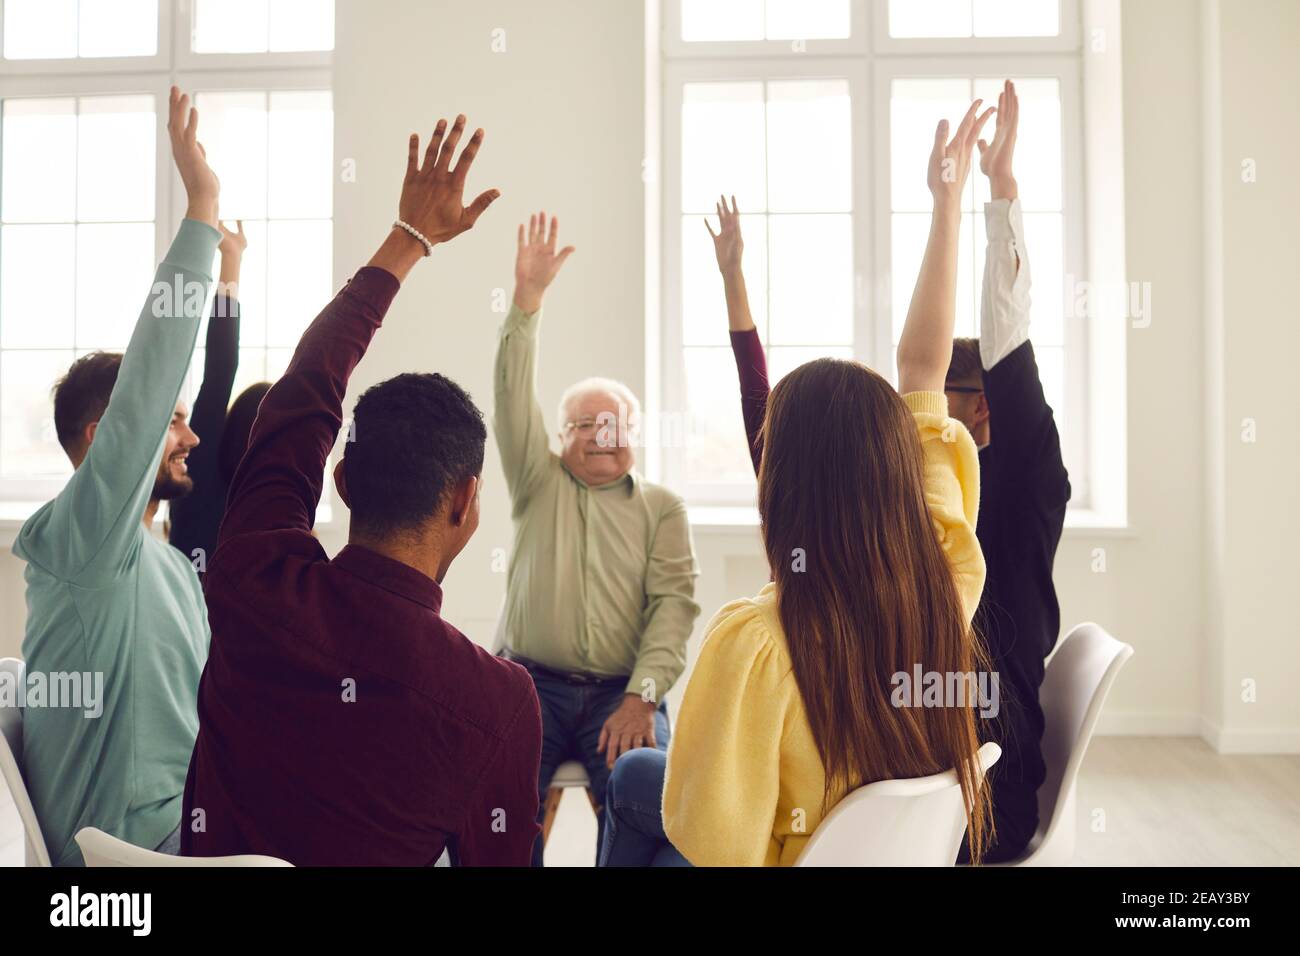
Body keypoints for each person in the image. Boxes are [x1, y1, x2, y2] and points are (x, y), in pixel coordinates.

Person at [600, 100, 995, 866]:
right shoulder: (947, 582)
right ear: (893, 470)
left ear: (782, 485)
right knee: (642, 780)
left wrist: (945, 204)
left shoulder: (753, 646)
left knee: (632, 786)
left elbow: (715, 846)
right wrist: (950, 207)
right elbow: (923, 373)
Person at [717, 81, 1068, 863]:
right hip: (908, 811)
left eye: (952, 398)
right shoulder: (928, 542)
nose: (924, 417)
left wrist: (996, 195)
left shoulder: (1016, 500)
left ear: (984, 413)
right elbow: (784, 439)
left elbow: (957, 363)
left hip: (971, 820)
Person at [182, 114, 542, 866]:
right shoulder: (496, 701)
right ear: (466, 503)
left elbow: (304, 390)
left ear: (341, 483)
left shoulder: (253, 577)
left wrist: (408, 236)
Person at [12, 87, 223, 865]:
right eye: (173, 419)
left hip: (192, 825)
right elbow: (149, 377)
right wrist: (201, 208)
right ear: (108, 444)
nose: (191, 434)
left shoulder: (168, 568)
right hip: (126, 861)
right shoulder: (84, 542)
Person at [493, 212, 701, 865]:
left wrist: (642, 696)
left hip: (622, 689)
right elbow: (510, 395)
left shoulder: (662, 508)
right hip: (533, 685)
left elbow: (673, 608)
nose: (603, 435)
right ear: (561, 437)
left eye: (615, 425)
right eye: (587, 424)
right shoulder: (537, 479)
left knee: (655, 806)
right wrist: (528, 302)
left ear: (634, 435)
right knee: (495, 797)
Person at [167, 221, 272, 573]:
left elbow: (221, 367)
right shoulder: (212, 468)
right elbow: (222, 364)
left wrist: (232, 258)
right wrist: (233, 259)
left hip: (184, 615)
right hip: (210, 622)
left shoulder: (200, 466)